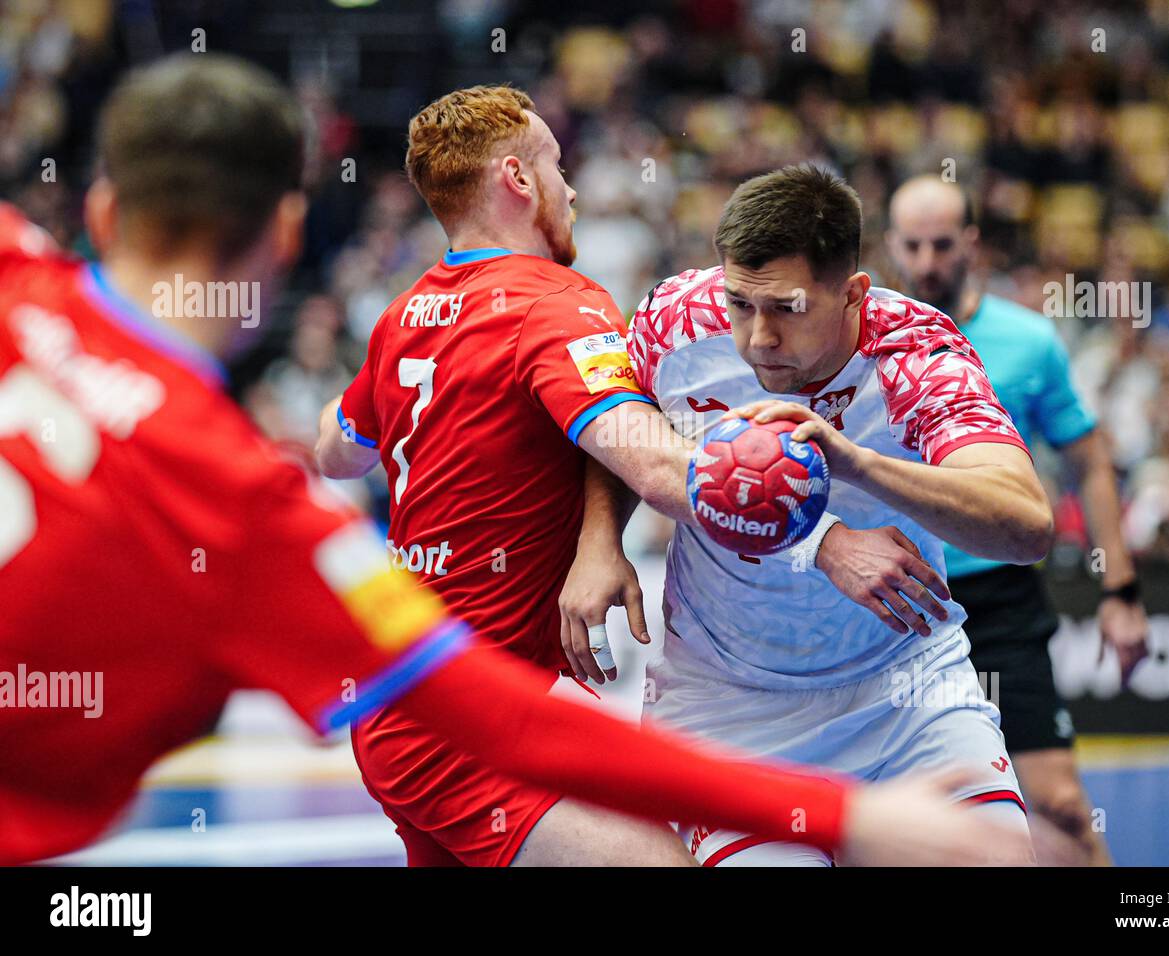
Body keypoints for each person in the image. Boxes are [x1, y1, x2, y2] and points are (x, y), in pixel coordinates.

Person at [0, 55, 1014, 869]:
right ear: (286, 228)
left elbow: (337, 448)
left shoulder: (399, 319)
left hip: (397, 737)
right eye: (561, 167)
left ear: (97, 213)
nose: (572, 186)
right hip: (460, 719)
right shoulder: (553, 305)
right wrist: (818, 525)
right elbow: (658, 468)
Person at [571, 163, 1055, 866]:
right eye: (742, 304)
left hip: (905, 691)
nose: (758, 337)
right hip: (727, 700)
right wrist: (598, 539)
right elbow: (614, 420)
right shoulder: (677, 318)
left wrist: (855, 463)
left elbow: (1025, 526)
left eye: (788, 309)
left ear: (854, 292)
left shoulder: (918, 353)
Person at [886, 174, 1151, 864]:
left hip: (1002, 604)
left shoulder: (1031, 342)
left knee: (1062, 809)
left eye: (942, 244)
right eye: (911, 246)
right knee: (900, 824)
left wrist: (1121, 593)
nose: (926, 263)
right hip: (896, 603)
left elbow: (1090, 463)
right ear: (891, 245)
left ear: (971, 243)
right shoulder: (863, 344)